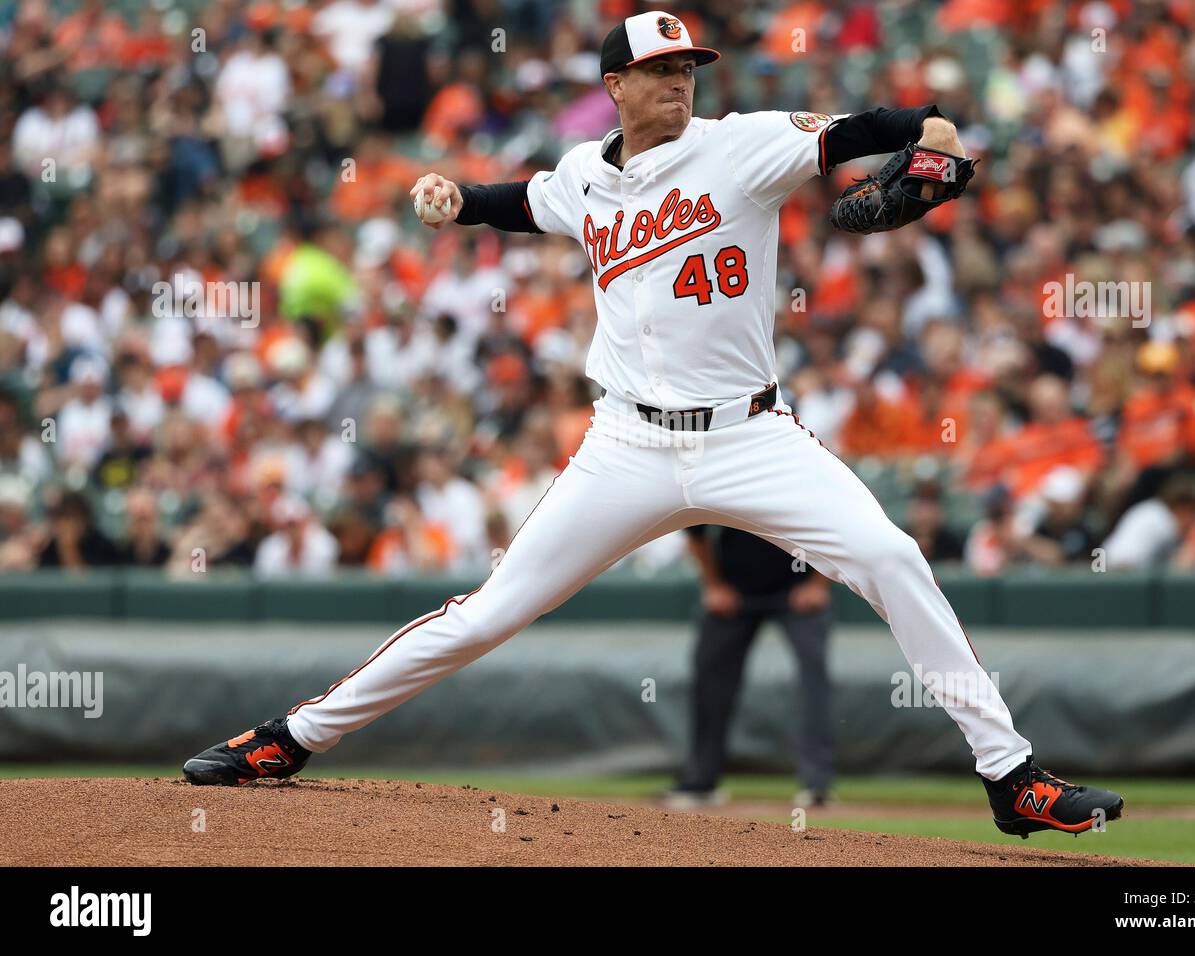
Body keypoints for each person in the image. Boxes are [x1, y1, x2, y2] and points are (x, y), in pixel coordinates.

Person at [183, 11, 1123, 839]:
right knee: (490, 615)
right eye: (662, 70)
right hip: (626, 445)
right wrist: (461, 201)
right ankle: (290, 739)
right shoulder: (584, 177)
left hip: (750, 436)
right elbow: (529, 203)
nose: (680, 82)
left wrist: (937, 132)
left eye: (688, 70)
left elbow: (873, 127)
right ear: (615, 88)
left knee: (890, 558)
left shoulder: (743, 144)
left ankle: (1011, 776)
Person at [664, 526, 834, 809]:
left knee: (814, 683)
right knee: (709, 678)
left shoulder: (812, 479)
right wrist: (713, 585)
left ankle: (817, 785)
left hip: (798, 590)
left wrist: (819, 584)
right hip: (734, 589)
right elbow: (694, 531)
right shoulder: (717, 480)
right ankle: (700, 781)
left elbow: (838, 526)